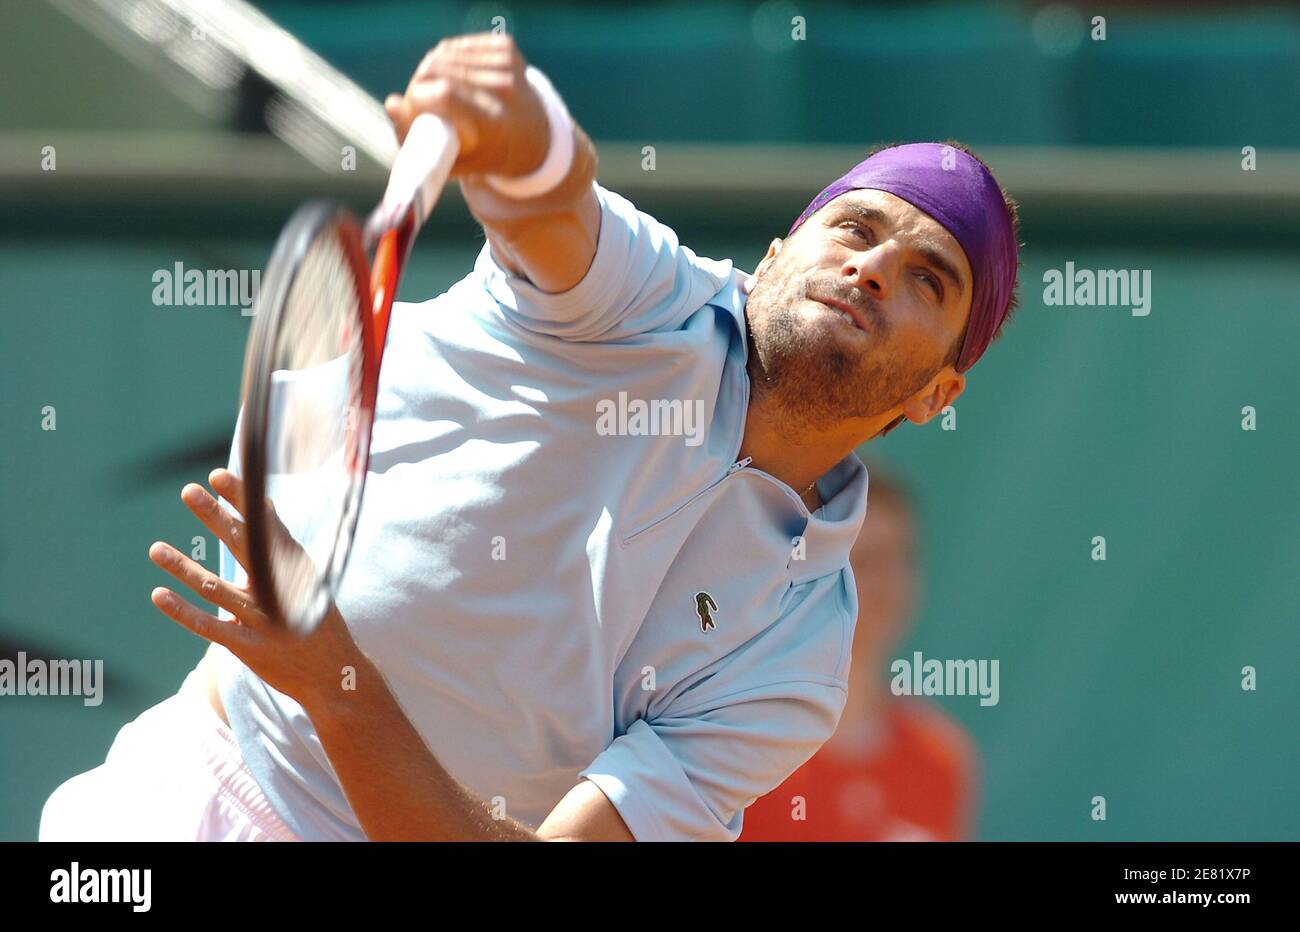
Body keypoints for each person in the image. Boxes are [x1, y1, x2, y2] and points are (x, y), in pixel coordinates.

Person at [40, 32, 1020, 842]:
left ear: (938, 391)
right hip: (184, 801)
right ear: (775, 253)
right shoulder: (639, 294)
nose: (872, 267)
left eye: (927, 276)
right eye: (852, 227)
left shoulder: (795, 660)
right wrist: (506, 109)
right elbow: (543, 186)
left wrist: (339, 683)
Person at [739, 468, 978, 841]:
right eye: (865, 562)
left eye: (900, 559)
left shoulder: (939, 757)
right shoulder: (739, 742)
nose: (886, 584)